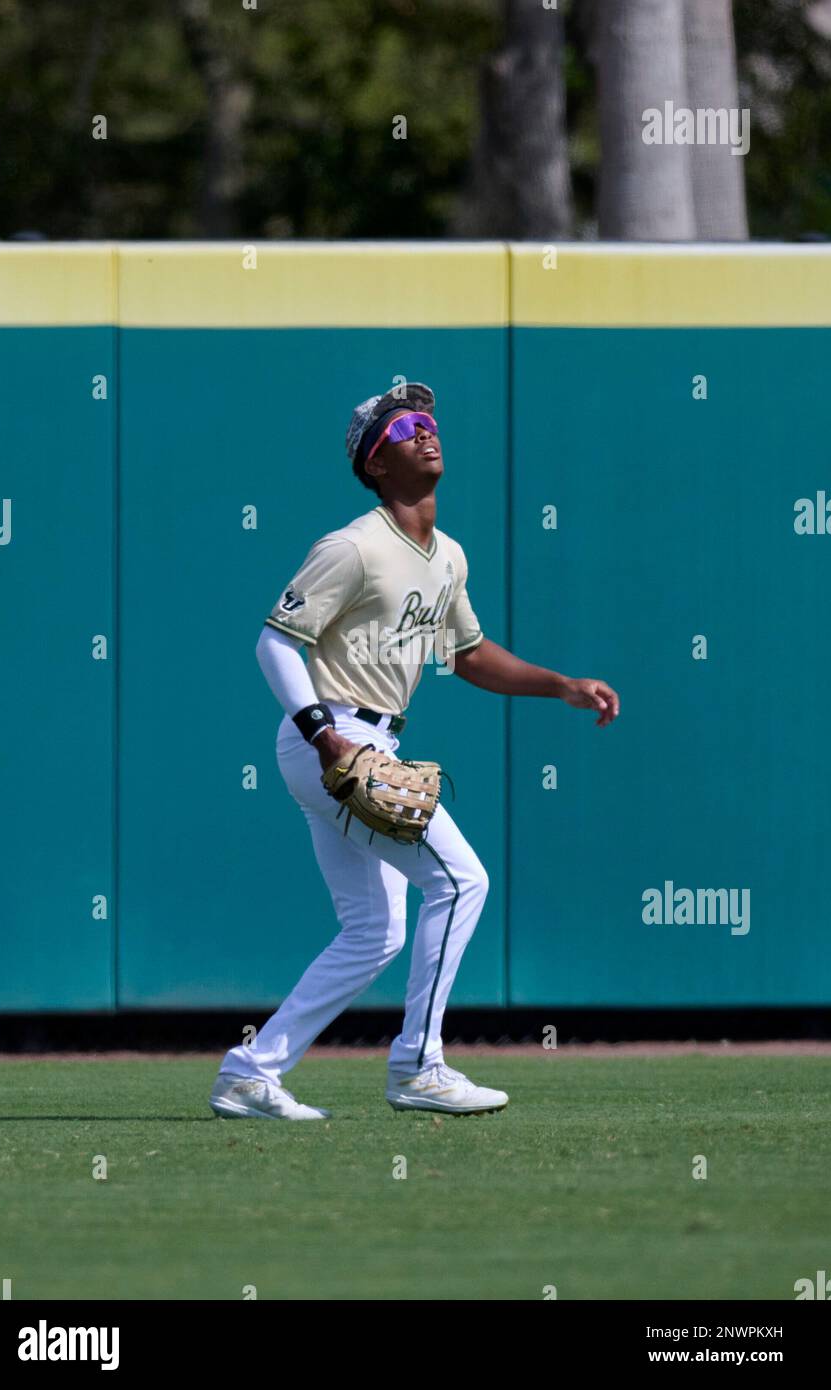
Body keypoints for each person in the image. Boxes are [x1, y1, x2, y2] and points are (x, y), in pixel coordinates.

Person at [210, 383, 619, 1120]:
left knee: (375, 931)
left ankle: (251, 1071)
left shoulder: (447, 557)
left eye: (428, 422)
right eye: (403, 427)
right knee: (461, 882)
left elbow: (465, 655)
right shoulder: (353, 546)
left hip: (365, 740)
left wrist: (559, 685)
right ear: (374, 464)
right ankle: (418, 1066)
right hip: (331, 735)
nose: (425, 432)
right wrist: (322, 731)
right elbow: (275, 639)